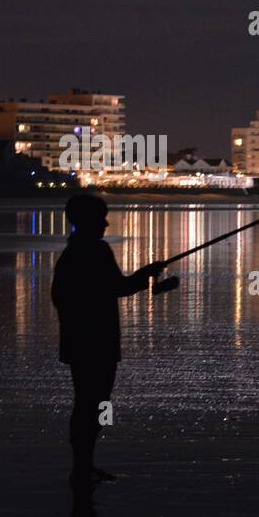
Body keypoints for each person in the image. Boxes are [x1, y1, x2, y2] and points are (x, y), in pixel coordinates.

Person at [51, 195, 178, 484]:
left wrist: (145, 275)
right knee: (92, 402)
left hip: (80, 340)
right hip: (96, 342)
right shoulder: (94, 251)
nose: (106, 223)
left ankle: (83, 465)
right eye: (101, 217)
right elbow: (117, 288)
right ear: (86, 220)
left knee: (87, 402)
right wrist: (146, 274)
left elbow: (67, 296)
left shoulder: (74, 252)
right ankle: (82, 467)